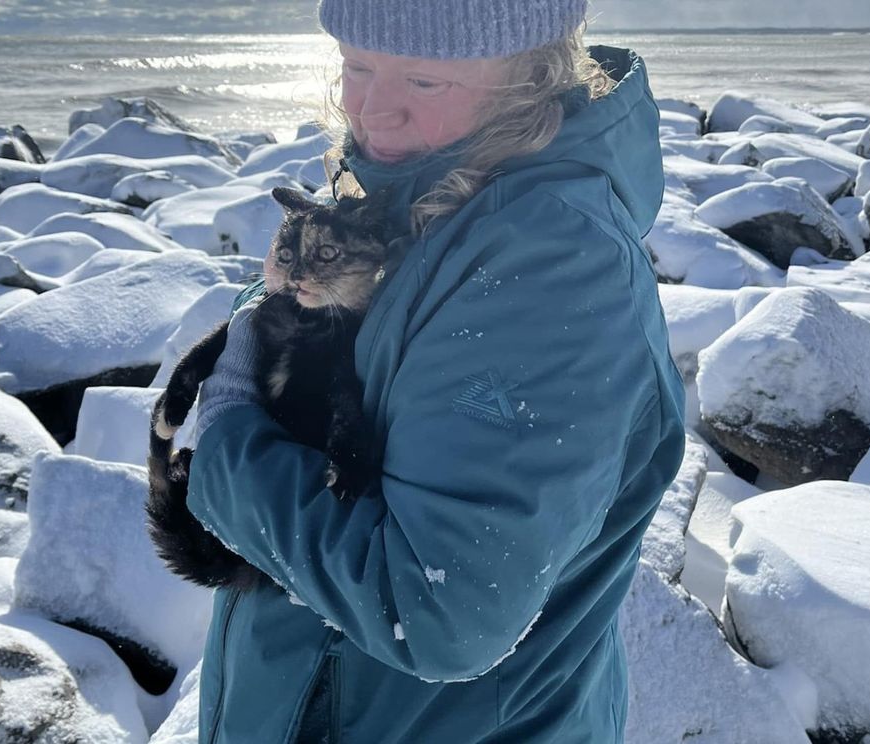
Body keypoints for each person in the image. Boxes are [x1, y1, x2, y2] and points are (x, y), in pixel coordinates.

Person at [186, 0, 686, 741]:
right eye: (357, 65)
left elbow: (436, 611)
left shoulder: (546, 265)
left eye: (424, 80)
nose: (371, 111)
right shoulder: (428, 190)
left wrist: (228, 433)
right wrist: (280, 310)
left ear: (527, 75)